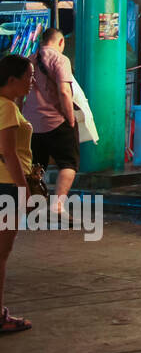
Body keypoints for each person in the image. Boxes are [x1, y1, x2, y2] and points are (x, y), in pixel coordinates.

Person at [24, 28, 80, 216]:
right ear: (61, 42)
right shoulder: (60, 59)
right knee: (68, 163)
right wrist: (70, 119)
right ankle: (57, 206)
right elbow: (64, 92)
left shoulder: (29, 60)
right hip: (56, 121)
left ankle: (34, 207)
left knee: (36, 166)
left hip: (31, 122)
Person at [0, 54, 35, 334]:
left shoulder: (8, 106)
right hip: (6, 186)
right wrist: (24, 189)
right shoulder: (7, 109)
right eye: (28, 76)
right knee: (1, 253)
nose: (32, 81)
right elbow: (9, 153)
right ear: (11, 80)